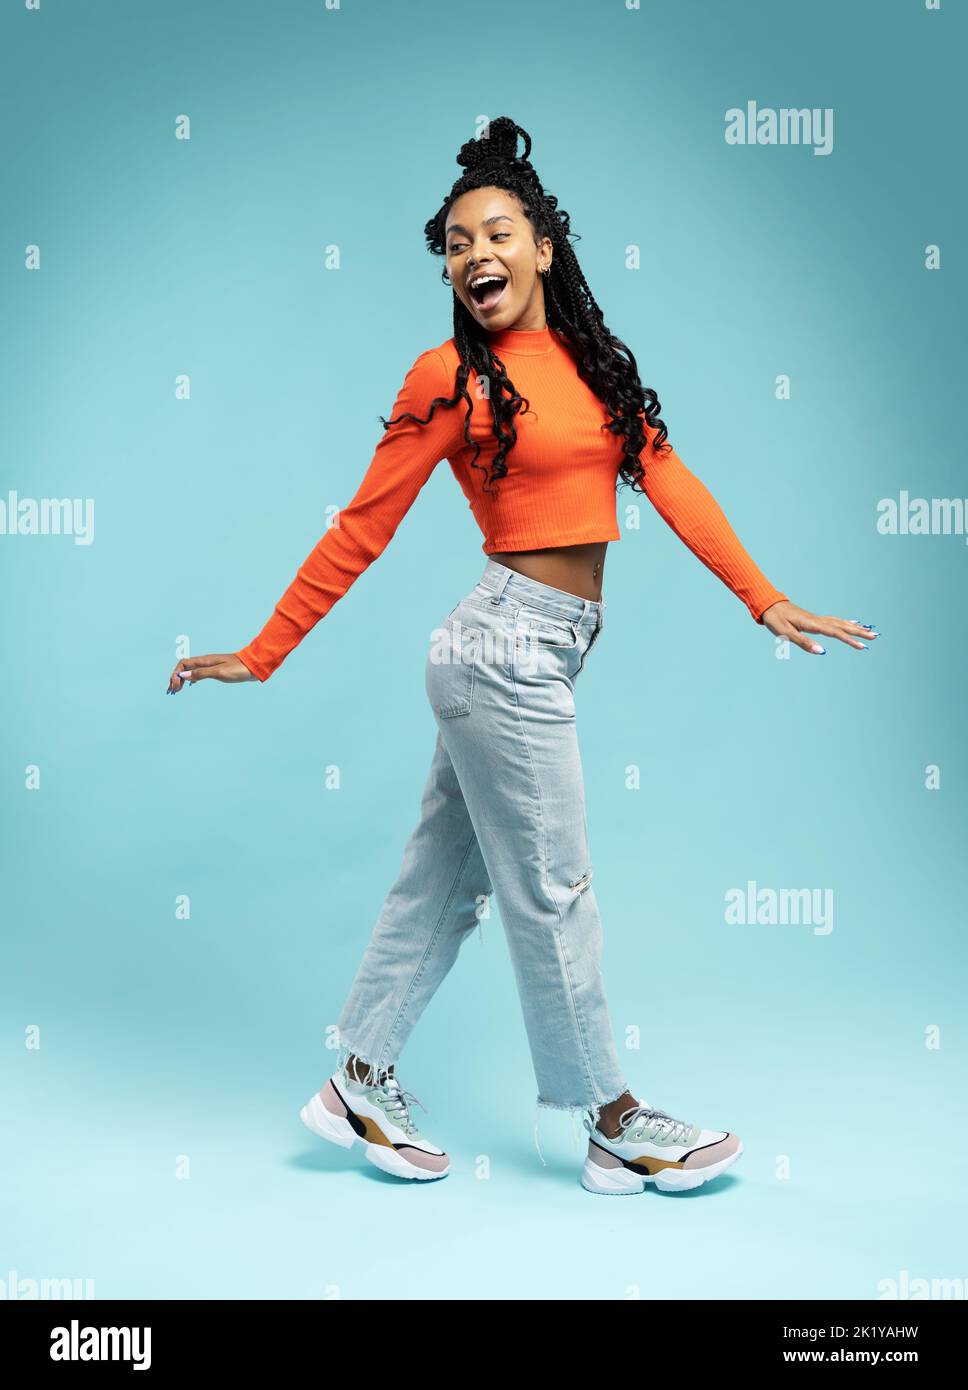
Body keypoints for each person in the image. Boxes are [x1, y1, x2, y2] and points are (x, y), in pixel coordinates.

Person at [166, 117, 878, 1195]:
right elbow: (359, 524)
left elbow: (669, 478)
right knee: (552, 888)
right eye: (454, 244)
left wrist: (761, 597)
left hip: (537, 649)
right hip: (501, 649)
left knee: (444, 884)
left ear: (544, 246)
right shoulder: (447, 377)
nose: (473, 256)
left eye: (495, 233)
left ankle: (356, 1078)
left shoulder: (588, 366)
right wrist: (264, 653)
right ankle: (612, 1121)